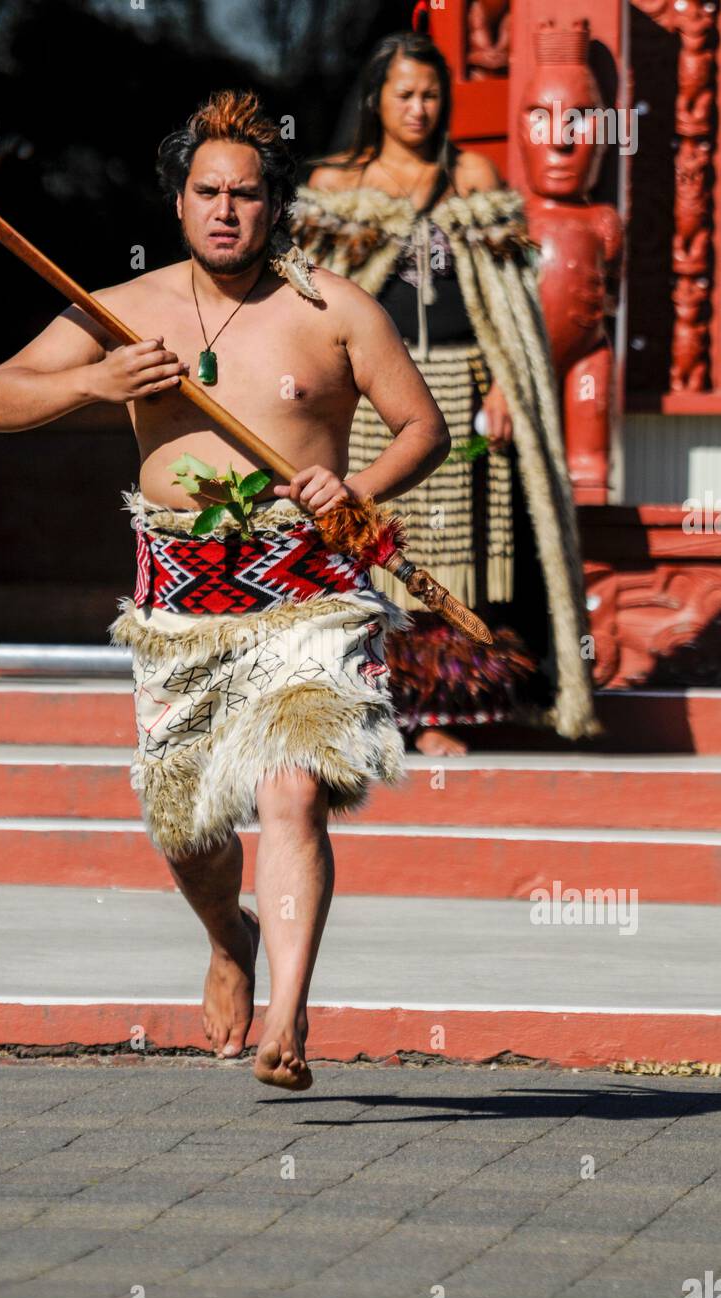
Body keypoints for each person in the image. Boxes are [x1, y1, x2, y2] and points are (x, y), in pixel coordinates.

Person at [0, 89, 450, 1092]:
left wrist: (351, 486)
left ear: (275, 203)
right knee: (185, 832)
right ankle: (230, 939)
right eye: (205, 192)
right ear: (177, 203)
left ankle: (287, 1014)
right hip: (178, 608)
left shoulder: (334, 309)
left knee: (292, 788)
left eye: (244, 193)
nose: (225, 210)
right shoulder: (120, 313)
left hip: (308, 593)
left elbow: (422, 426)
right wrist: (94, 385)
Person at [292, 31, 596, 755]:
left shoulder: (476, 177)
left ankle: (438, 711)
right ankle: (364, 703)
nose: (418, 108)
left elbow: (514, 302)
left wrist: (503, 387)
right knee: (370, 544)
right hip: (370, 398)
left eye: (431, 94)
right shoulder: (336, 184)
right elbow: (302, 299)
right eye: (404, 94)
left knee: (459, 552)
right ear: (377, 100)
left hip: (460, 388)